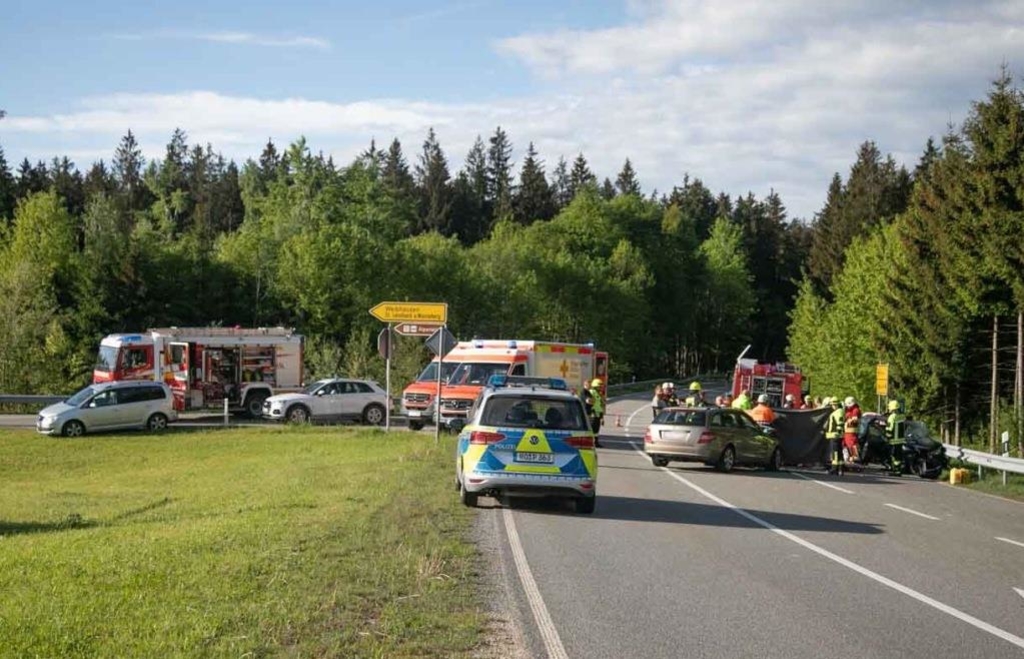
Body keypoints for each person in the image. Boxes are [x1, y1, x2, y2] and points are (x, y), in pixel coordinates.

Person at [825, 396, 845, 475]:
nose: (832, 406)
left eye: (832, 405)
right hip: (837, 435)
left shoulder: (837, 412)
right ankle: (840, 469)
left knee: (835, 452)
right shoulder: (839, 411)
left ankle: (834, 469)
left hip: (835, 435)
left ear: (835, 404)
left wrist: (838, 432)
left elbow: (840, 423)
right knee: (839, 452)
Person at [885, 399, 906, 475]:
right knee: (898, 456)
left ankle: (895, 470)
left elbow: (889, 429)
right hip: (900, 440)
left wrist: (887, 437)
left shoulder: (891, 417)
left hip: (893, 440)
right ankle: (898, 470)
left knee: (894, 456)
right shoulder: (902, 416)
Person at [585, 378, 605, 447]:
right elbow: (589, 402)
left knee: (596, 429)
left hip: (598, 413)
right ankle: (590, 442)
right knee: (592, 428)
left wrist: (602, 417)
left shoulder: (598, 393)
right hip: (593, 413)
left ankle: (596, 442)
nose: (601, 388)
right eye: (599, 386)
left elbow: (599, 405)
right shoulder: (592, 392)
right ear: (595, 386)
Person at [843, 396, 861, 463]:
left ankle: (855, 458)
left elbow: (855, 419)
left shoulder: (855, 410)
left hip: (851, 431)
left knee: (852, 444)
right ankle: (850, 457)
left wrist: (849, 421)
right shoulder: (848, 410)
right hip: (847, 431)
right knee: (846, 444)